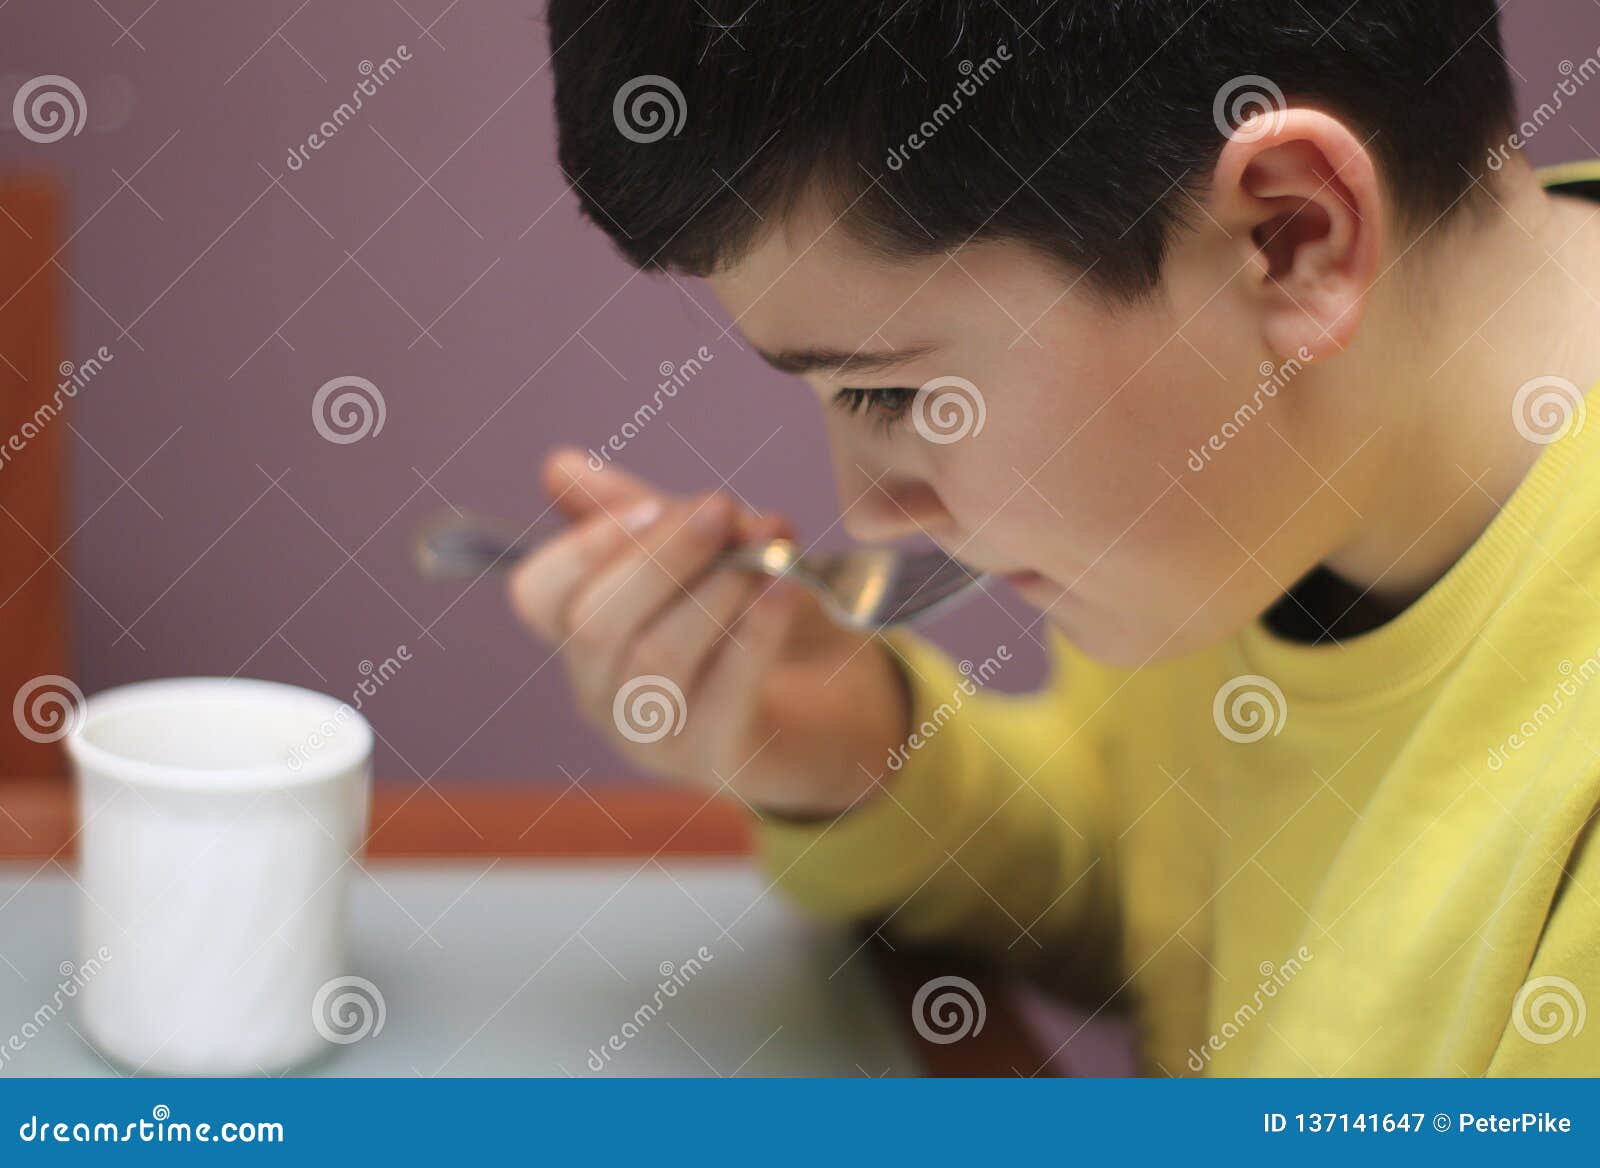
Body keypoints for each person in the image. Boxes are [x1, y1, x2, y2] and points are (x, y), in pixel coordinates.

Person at [512, 1, 1600, 1074]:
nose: (870, 508)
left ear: (1292, 236)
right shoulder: (1253, 499)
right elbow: (1170, 908)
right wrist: (864, 751)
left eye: (892, 393)